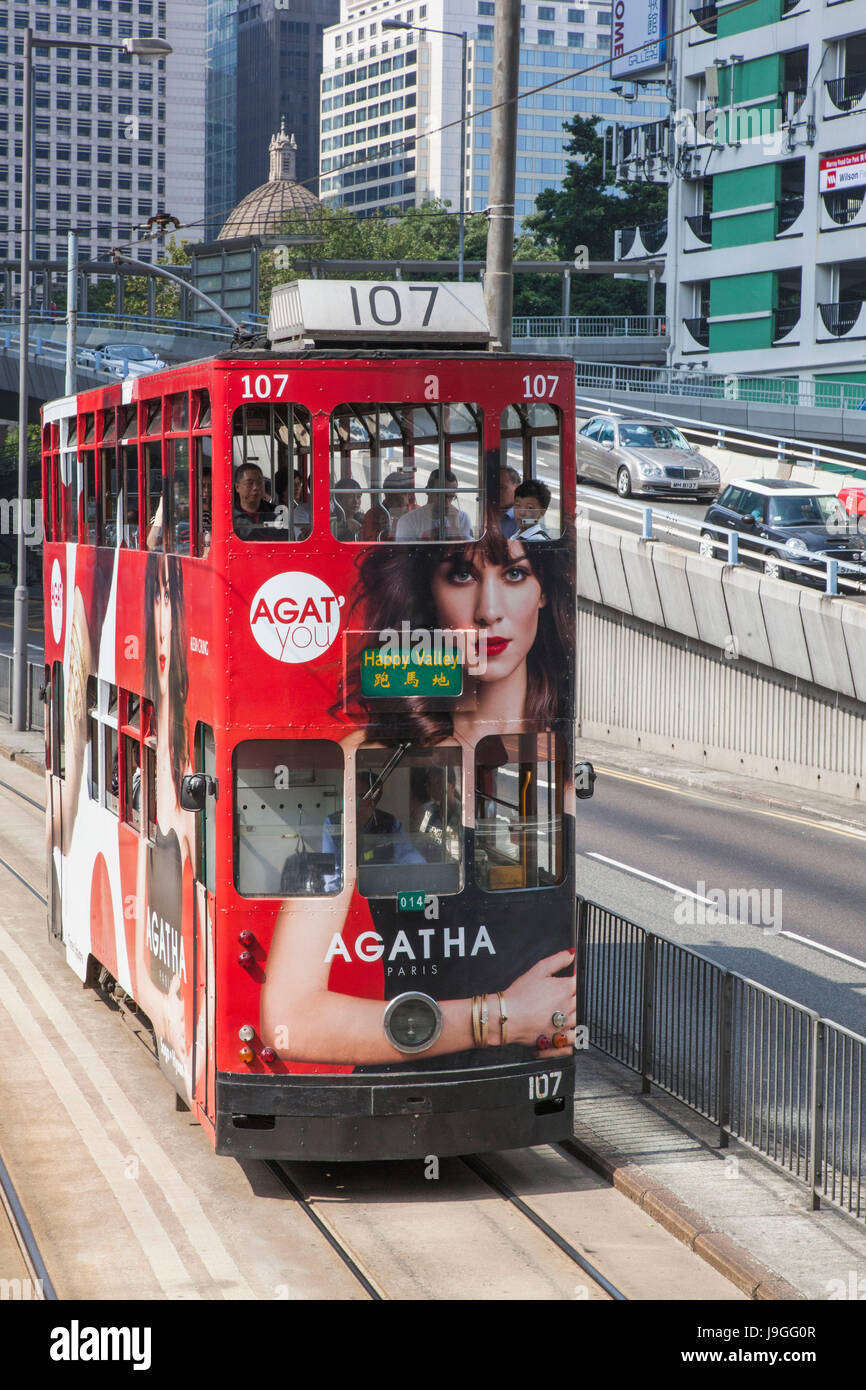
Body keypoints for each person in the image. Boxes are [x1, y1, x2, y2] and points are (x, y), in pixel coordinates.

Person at [260, 509, 577, 1069]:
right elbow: (292, 1017)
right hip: (408, 1093)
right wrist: (498, 1016)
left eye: (515, 575)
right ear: (428, 595)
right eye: (461, 576)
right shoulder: (372, 762)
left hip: (533, 1087)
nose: (488, 610)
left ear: (545, 593)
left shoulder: (563, 768)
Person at [133, 552, 197, 1091]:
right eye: (155, 597)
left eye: (167, 597)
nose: (162, 615)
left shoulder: (188, 733)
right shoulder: (153, 723)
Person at [394, 468, 473, 542]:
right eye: (441, 496)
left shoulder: (462, 519)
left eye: (451, 497)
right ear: (428, 491)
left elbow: (468, 553)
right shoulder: (408, 521)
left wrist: (455, 528)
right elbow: (405, 553)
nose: (447, 503)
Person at [233, 462, 276, 538]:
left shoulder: (276, 513)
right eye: (249, 483)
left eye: (259, 482)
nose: (255, 487)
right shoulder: (230, 516)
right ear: (237, 487)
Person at [499, 465, 521, 539]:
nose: (496, 492)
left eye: (502, 488)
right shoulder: (486, 514)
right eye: (492, 488)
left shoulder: (524, 518)